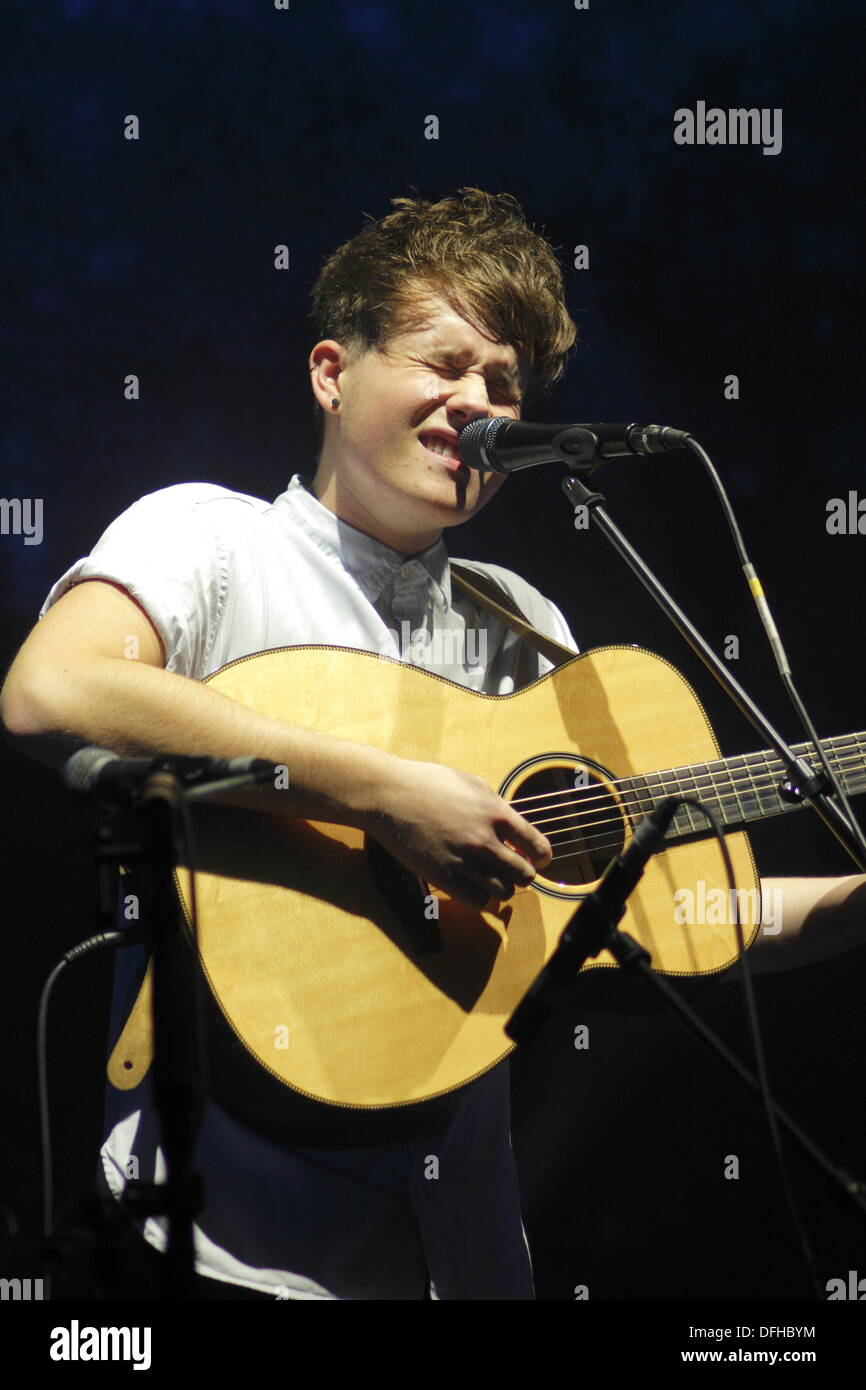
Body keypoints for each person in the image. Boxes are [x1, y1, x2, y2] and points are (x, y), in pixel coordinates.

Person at [2, 188, 864, 1300]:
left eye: (504, 384)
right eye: (443, 362)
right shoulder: (211, 538)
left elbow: (647, 923)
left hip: (458, 1257)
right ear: (331, 372)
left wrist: (850, 904)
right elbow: (49, 692)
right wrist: (381, 794)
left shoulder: (523, 621)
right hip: (220, 1242)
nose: (477, 401)